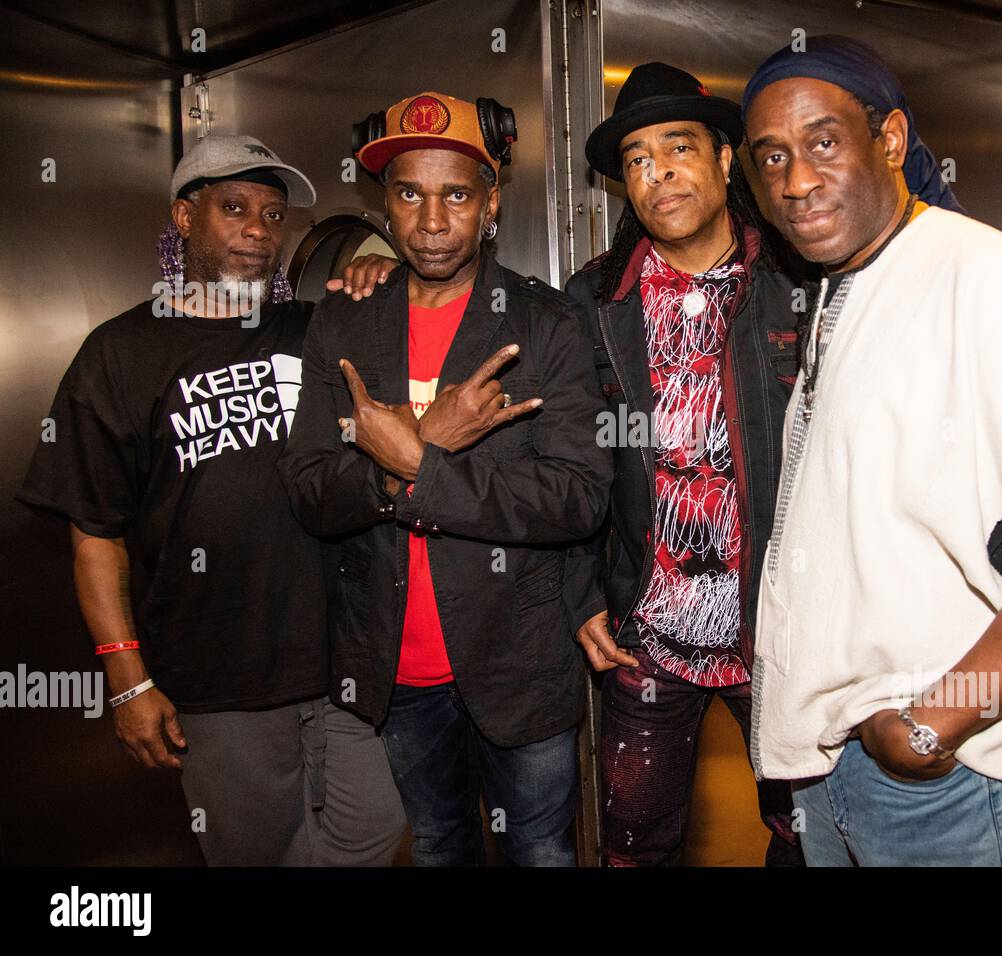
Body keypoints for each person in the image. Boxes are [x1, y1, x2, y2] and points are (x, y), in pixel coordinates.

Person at [741, 35, 1002, 866]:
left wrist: (936, 723)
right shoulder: (841, 286)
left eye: (823, 142)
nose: (794, 181)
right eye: (771, 157)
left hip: (944, 784)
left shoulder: (989, 282)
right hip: (836, 766)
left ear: (889, 140)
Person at [17, 134, 406, 866]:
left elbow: (411, 359)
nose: (258, 230)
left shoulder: (315, 328)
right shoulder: (120, 351)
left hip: (350, 660)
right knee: (254, 852)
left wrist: (382, 273)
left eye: (271, 214)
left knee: (377, 831)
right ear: (185, 219)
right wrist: (127, 679)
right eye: (234, 209)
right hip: (218, 675)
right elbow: (94, 534)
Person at [279, 90, 611, 866]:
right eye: (409, 195)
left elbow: (579, 497)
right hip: (394, 664)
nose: (432, 221)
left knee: (539, 850)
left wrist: (419, 467)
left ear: (491, 202)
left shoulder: (544, 322)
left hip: (519, 662)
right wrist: (414, 460)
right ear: (384, 206)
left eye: (456, 194)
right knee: (438, 847)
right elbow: (308, 488)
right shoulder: (344, 320)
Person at [562, 61, 805, 866]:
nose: (657, 173)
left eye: (677, 147)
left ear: (725, 158)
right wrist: (583, 594)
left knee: (807, 837)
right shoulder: (595, 300)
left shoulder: (797, 281)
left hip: (778, 632)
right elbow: (570, 460)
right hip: (648, 636)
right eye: (635, 159)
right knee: (634, 847)